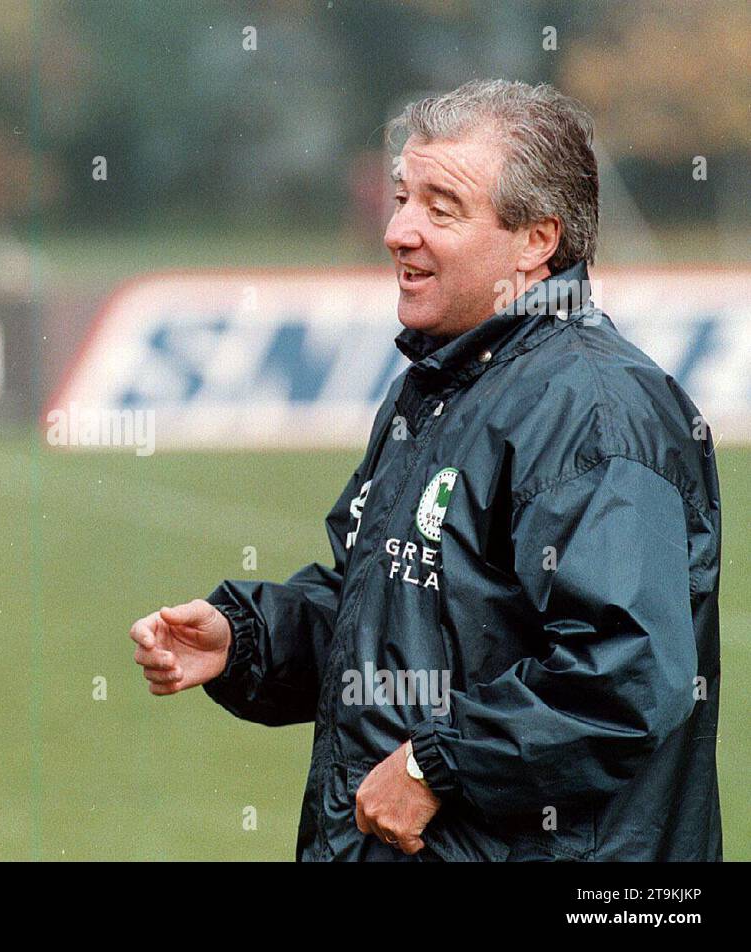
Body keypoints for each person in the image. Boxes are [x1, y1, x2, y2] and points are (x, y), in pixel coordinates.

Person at [130, 79, 721, 861]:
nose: (398, 231)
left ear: (536, 240)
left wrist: (435, 765)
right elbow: (387, 612)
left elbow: (623, 674)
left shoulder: (595, 409)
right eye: (402, 197)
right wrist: (250, 639)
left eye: (441, 208)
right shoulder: (442, 385)